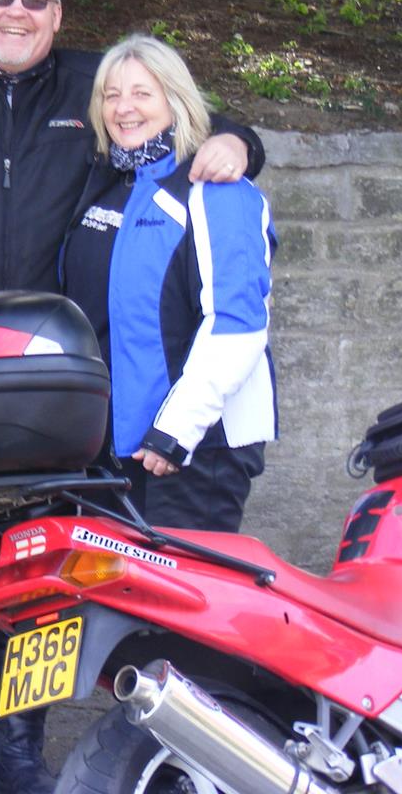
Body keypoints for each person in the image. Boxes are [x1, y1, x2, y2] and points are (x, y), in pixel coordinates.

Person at [0, 0, 266, 794]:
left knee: (42, 581)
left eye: (34, 1)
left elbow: (198, 123)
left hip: (53, 391)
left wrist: (239, 141)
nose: (15, 13)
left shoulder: (97, 86)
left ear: (57, 15)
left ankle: (19, 750)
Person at [62, 33, 275, 531]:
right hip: (110, 447)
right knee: (109, 586)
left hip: (189, 452)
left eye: (142, 93)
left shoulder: (218, 193)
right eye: (111, 95)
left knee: (179, 584)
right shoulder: (108, 185)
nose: (124, 108)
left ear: (175, 99)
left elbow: (238, 324)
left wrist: (176, 431)